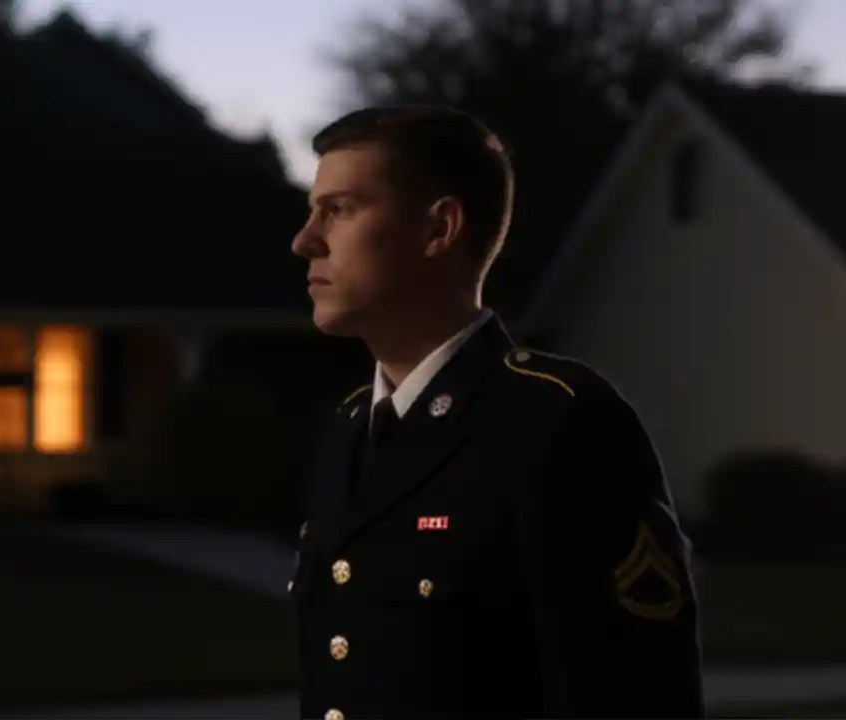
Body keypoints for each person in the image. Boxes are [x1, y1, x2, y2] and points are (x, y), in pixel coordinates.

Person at [287, 105, 705, 720]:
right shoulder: (348, 431)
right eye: (313, 209)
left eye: (341, 209)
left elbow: (635, 696)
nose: (305, 240)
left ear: (441, 228)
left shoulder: (557, 424)